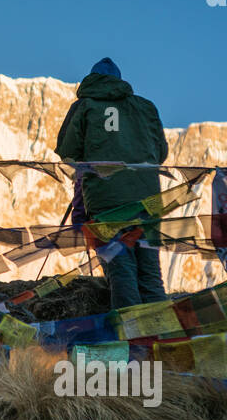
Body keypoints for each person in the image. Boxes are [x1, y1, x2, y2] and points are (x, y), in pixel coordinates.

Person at [55, 57, 169, 310]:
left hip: (106, 202)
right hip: (147, 201)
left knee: (121, 271)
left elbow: (68, 150)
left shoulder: (85, 106)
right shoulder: (145, 107)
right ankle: (161, 338)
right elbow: (161, 152)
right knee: (150, 275)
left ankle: (131, 341)